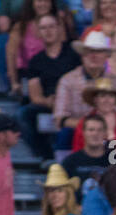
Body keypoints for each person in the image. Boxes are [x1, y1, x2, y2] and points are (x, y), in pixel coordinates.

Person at [17, 13, 81, 162]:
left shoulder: (74, 55)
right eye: (43, 28)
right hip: (48, 102)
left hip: (72, 103)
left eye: (51, 26)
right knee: (22, 115)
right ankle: (46, 156)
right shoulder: (36, 61)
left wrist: (63, 102)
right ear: (39, 33)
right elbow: (35, 96)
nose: (48, 31)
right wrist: (48, 102)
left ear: (59, 28)